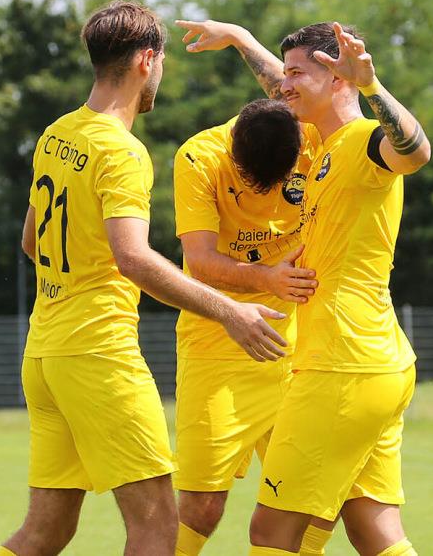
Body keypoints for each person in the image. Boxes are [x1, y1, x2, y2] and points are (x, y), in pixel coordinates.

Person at [0, 0, 289, 556]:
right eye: (162, 65)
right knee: (156, 530)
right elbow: (132, 258)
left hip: (46, 355)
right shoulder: (122, 152)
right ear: (146, 61)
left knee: (45, 533)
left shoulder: (57, 135)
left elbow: (32, 242)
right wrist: (231, 310)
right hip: (99, 355)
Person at [177, 19, 431, 556]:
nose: (283, 84)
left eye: (297, 74)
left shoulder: (362, 143)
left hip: (342, 366)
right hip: (375, 361)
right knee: (373, 530)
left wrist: (371, 84)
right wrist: (243, 41)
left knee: (271, 533)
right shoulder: (322, 142)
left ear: (336, 78)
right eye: (285, 72)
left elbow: (415, 152)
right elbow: (283, 90)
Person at [172, 97, 324, 556]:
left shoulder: (311, 135)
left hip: (296, 353)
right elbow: (198, 262)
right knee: (202, 505)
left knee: (310, 501)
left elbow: (296, 78)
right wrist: (267, 279)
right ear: (233, 149)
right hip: (215, 349)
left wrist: (240, 38)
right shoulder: (198, 157)